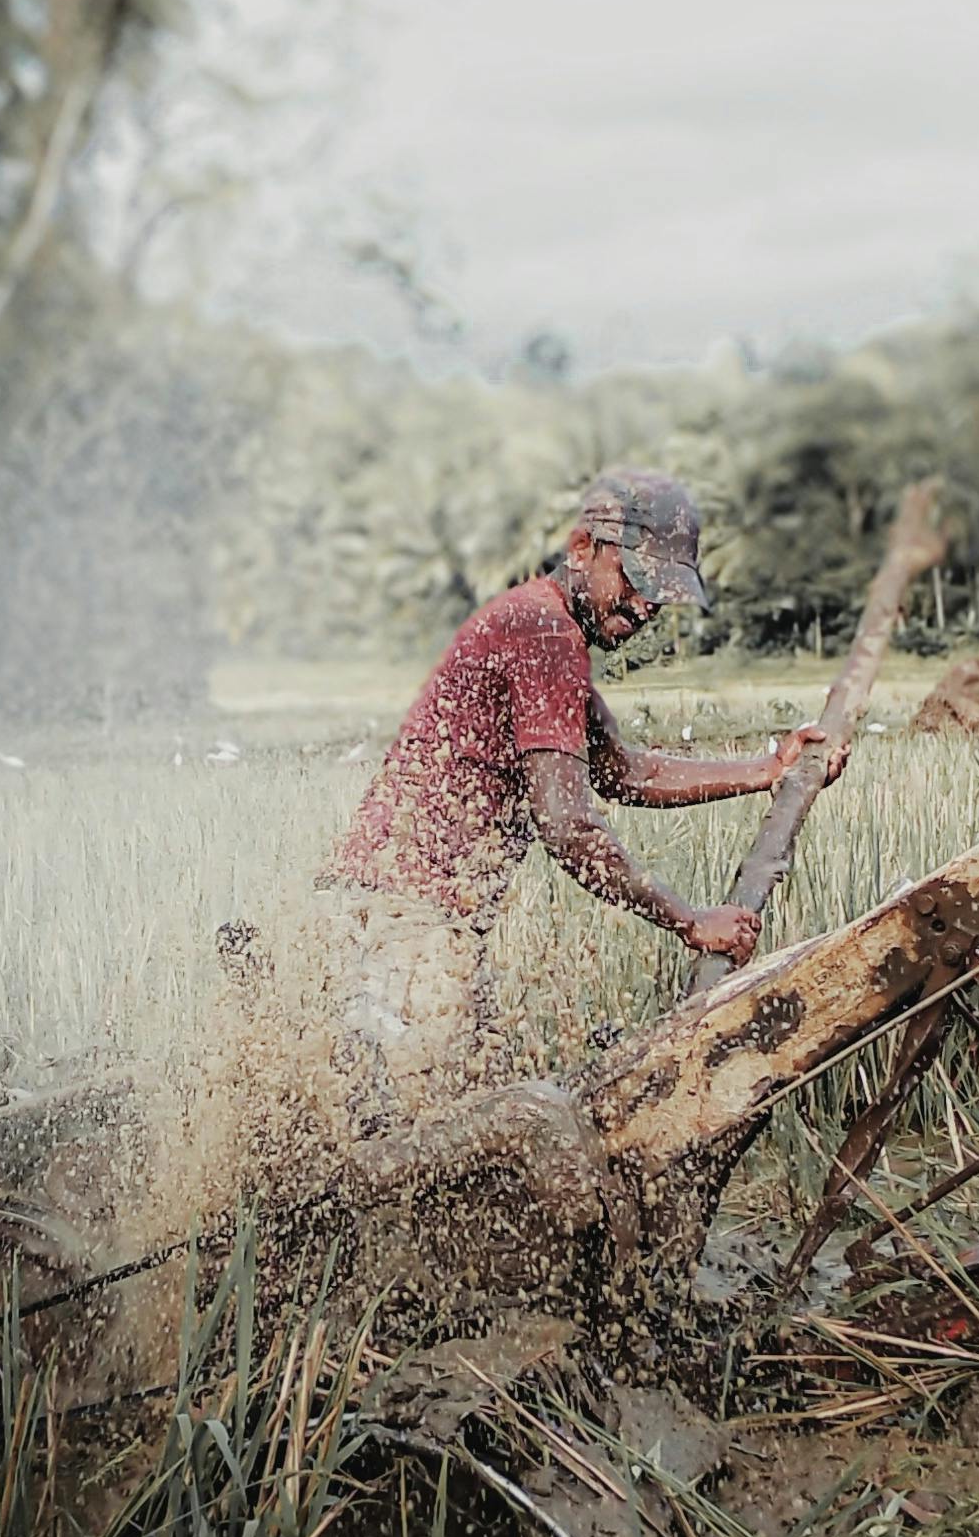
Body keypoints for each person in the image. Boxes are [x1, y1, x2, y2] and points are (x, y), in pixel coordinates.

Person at [309, 468, 845, 1128]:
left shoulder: (540, 628)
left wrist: (768, 768)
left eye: (658, 595)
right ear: (582, 548)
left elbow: (623, 773)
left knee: (434, 1137)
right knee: (430, 1149)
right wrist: (687, 920)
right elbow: (567, 827)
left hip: (392, 916)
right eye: (635, 582)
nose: (643, 608)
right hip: (404, 928)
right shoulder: (542, 634)